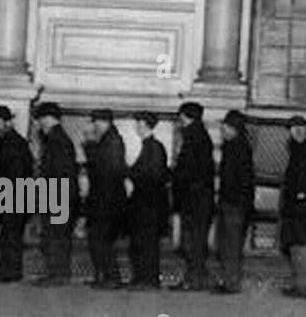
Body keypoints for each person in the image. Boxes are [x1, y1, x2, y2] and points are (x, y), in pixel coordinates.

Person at [171, 101, 215, 291]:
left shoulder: (191, 137)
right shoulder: (203, 137)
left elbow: (186, 171)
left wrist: (175, 181)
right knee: (196, 241)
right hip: (201, 198)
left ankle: (194, 279)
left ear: (184, 116)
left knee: (192, 241)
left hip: (192, 199)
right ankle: (196, 277)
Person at [33, 102, 78, 285]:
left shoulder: (55, 140)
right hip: (60, 195)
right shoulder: (58, 138)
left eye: (40, 119)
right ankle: (58, 274)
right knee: (56, 236)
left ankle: (58, 275)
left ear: (48, 118)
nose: (38, 124)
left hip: (56, 196)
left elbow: (56, 172)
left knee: (55, 236)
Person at [84, 108, 128, 289]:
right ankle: (104, 276)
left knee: (102, 240)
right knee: (99, 240)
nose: (94, 126)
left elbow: (106, 172)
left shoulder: (112, 141)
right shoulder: (110, 140)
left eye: (96, 122)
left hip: (106, 201)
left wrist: (89, 147)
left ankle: (110, 277)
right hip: (106, 200)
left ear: (104, 122)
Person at [0, 105, 33, 283]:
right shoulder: (11, 141)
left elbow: (15, 174)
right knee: (10, 235)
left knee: (10, 235)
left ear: (8, 122)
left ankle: (10, 272)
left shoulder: (12, 143)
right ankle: (8, 270)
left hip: (15, 196)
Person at [278, 115, 306, 298]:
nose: (297, 131)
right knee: (296, 246)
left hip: (305, 208)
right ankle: (300, 284)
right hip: (294, 207)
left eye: (301, 127)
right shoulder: (297, 149)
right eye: (294, 128)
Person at [214, 110, 255, 294]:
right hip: (236, 203)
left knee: (230, 244)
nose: (223, 129)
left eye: (227, 126)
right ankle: (229, 280)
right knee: (229, 244)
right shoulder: (239, 146)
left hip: (233, 203)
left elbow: (234, 179)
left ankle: (230, 282)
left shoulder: (234, 148)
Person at [128, 111, 169, 291]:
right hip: (147, 205)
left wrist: (130, 173)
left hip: (148, 205)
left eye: (138, 123)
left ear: (145, 124)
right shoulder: (152, 146)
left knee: (147, 244)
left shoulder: (153, 147)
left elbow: (151, 175)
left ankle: (147, 279)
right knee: (144, 243)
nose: (136, 126)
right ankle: (143, 278)